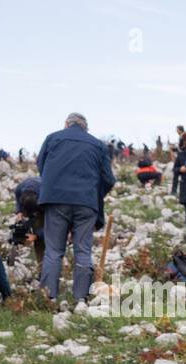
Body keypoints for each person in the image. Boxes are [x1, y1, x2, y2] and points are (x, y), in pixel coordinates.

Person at [36, 112, 115, 301]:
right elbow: (109, 179)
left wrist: (55, 185)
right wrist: (94, 194)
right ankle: (80, 298)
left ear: (66, 124)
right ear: (85, 127)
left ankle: (49, 297)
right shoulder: (97, 145)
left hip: (56, 200)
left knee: (53, 251)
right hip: (86, 203)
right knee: (83, 250)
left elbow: (41, 165)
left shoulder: (52, 138)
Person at [11, 175, 46, 262]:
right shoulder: (20, 189)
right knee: (24, 224)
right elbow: (18, 200)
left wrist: (37, 236)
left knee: (41, 231)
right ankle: (41, 266)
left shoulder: (47, 196)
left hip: (44, 205)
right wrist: (19, 212)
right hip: (33, 199)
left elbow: (53, 232)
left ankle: (43, 265)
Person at [170, 126, 186, 195]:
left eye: (177, 130)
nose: (176, 131)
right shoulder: (181, 136)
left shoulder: (184, 136)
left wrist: (175, 148)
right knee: (176, 172)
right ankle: (174, 191)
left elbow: (183, 147)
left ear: (180, 130)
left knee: (177, 173)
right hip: (181, 156)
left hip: (183, 157)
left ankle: (174, 191)